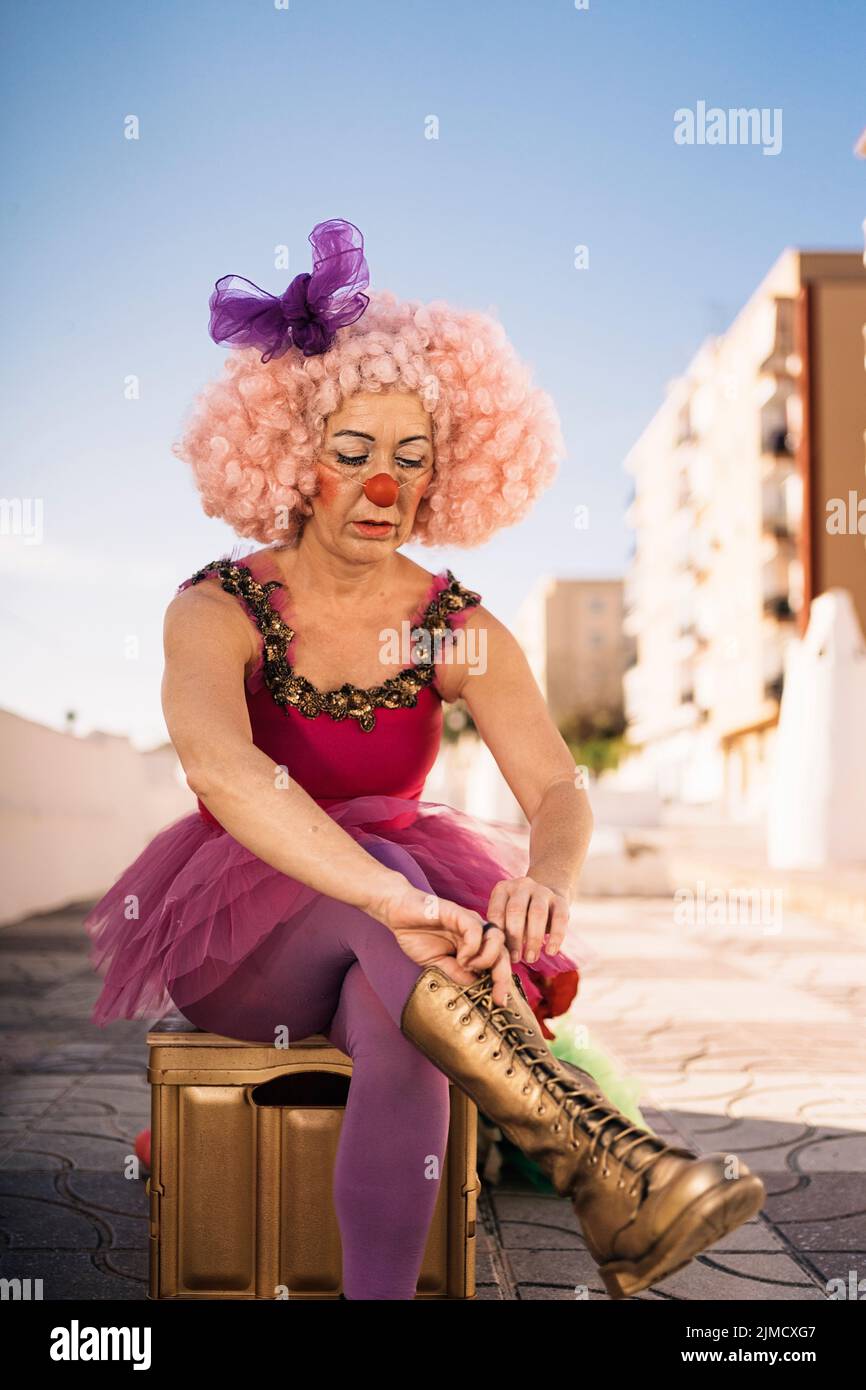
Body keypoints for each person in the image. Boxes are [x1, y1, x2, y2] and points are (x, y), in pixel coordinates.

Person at [84, 219, 765, 1301]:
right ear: (291, 455)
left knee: (406, 1035)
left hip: (399, 946)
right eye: (351, 452)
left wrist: (549, 876)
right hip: (243, 939)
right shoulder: (219, 607)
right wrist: (383, 894)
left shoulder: (454, 627)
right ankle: (598, 1162)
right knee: (396, 910)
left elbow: (556, 784)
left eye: (411, 458)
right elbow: (222, 769)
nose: (382, 486)